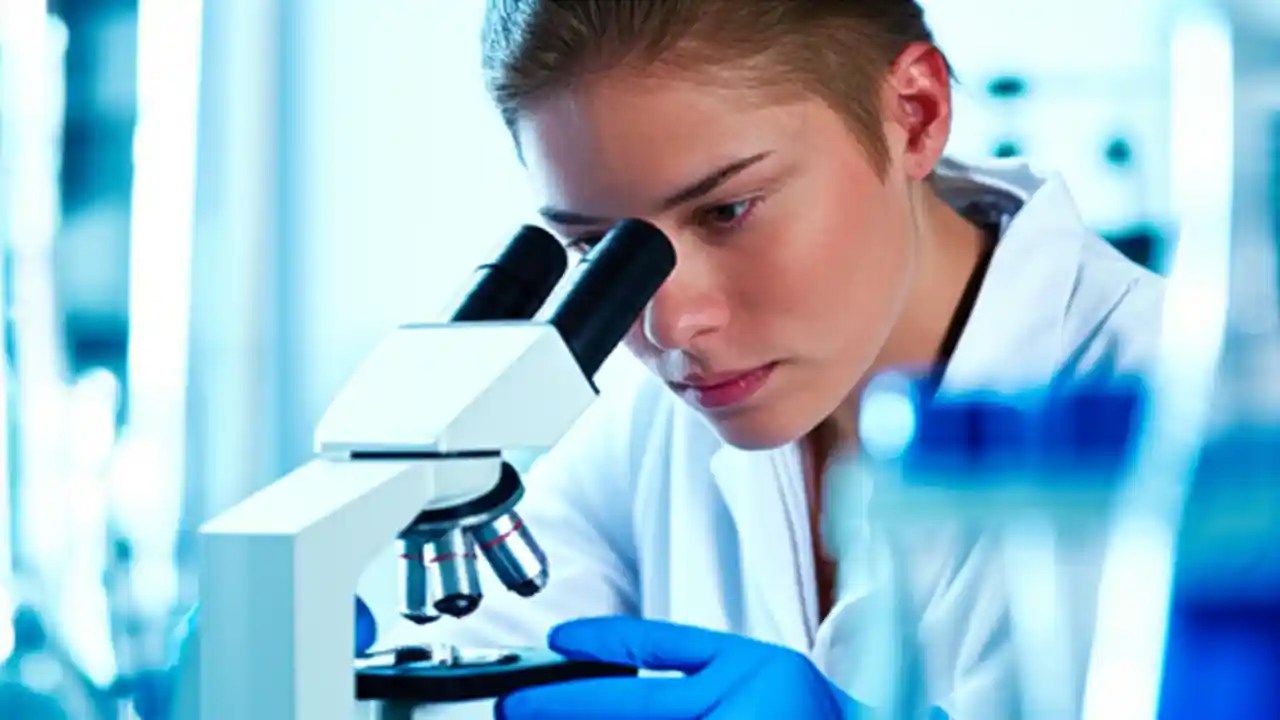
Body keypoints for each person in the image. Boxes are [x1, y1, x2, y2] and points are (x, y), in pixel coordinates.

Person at [179, 1, 1166, 718]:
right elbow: (463, 669)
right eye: (597, 250)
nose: (664, 325)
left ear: (912, 111)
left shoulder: (1210, 416)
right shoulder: (641, 437)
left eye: (726, 210)